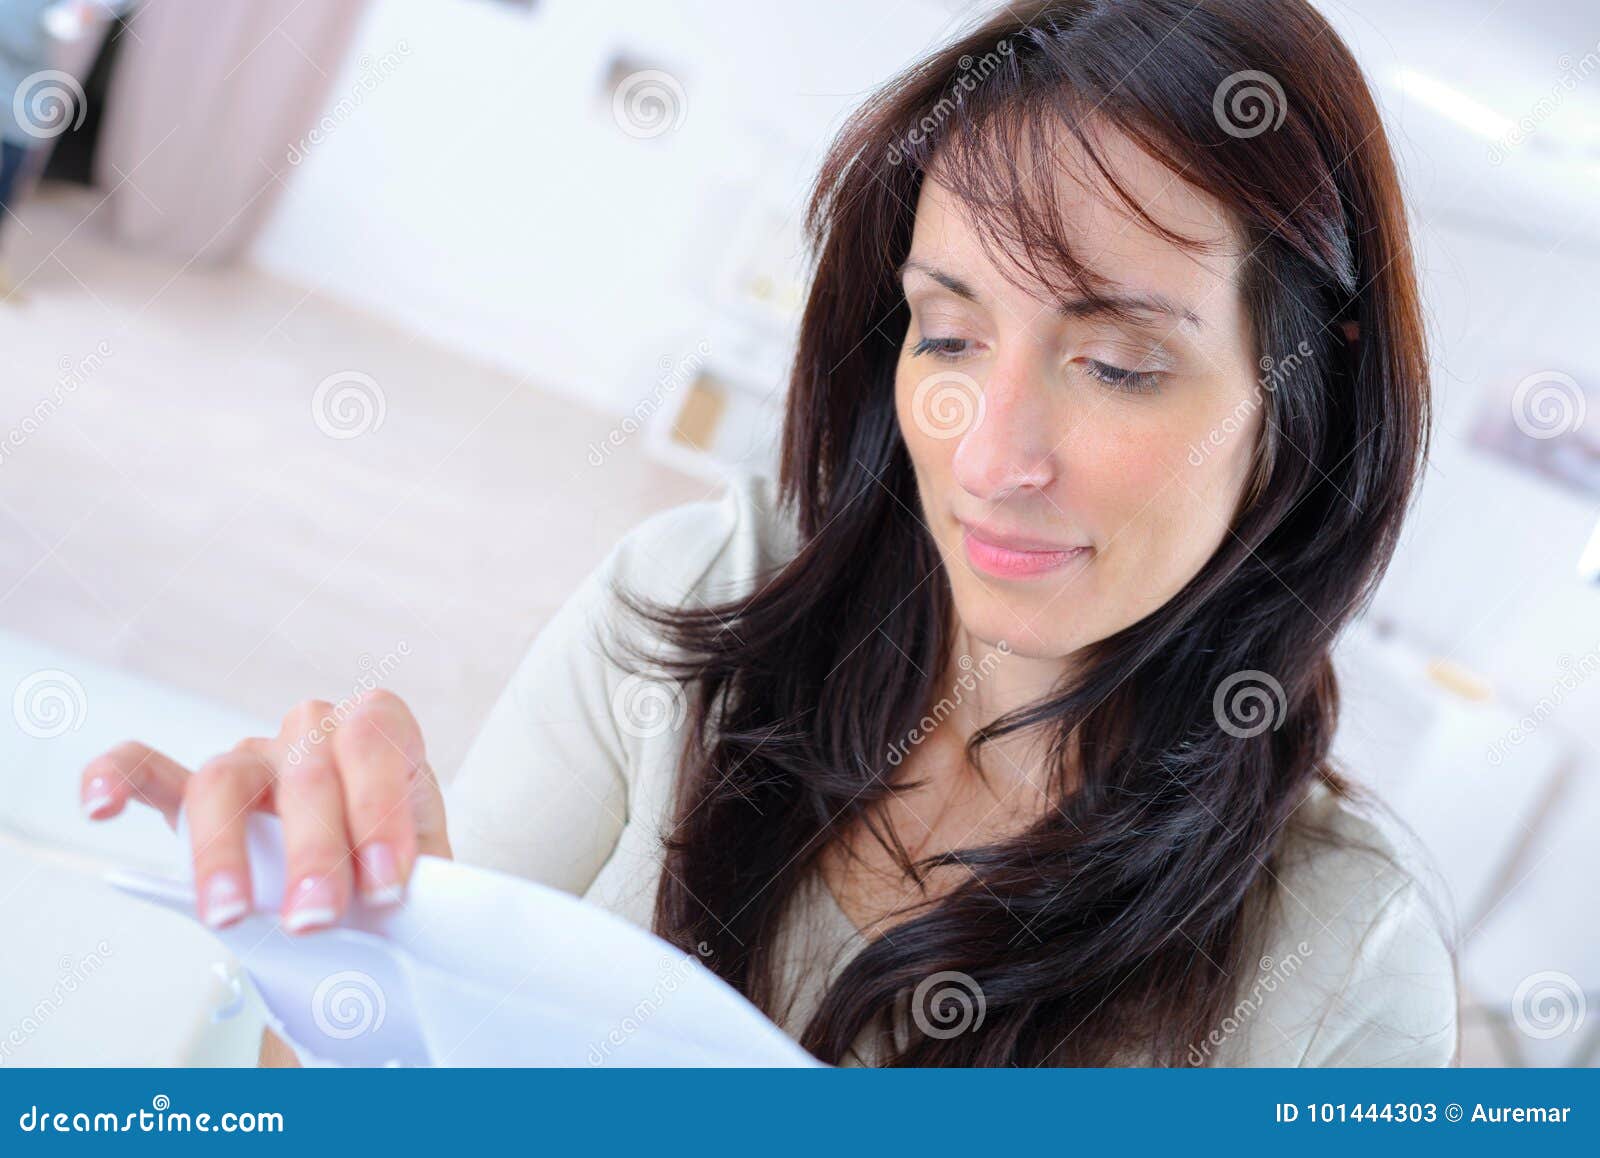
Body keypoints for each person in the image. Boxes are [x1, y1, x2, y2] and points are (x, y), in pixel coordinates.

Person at [80, 0, 1457, 1067]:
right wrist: (360, 965)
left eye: (1118, 364)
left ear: (1305, 401)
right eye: (952, 331)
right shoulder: (703, 597)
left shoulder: (1346, 959)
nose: (989, 455)